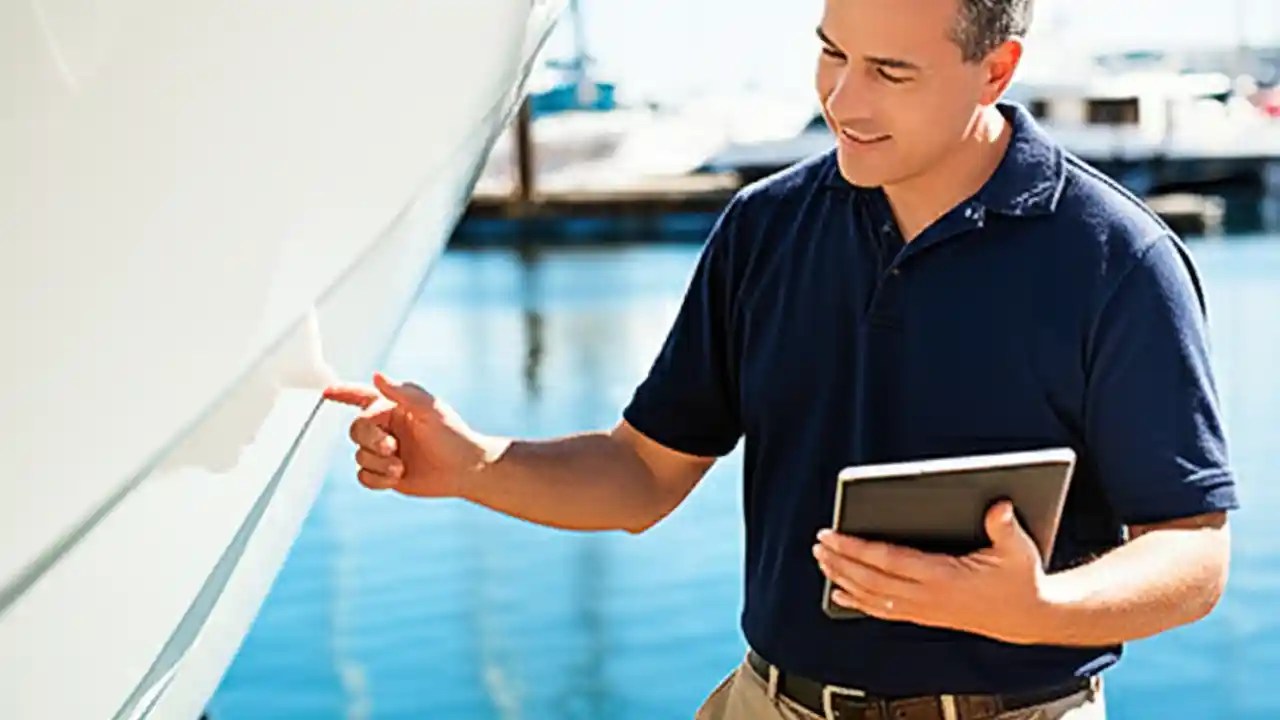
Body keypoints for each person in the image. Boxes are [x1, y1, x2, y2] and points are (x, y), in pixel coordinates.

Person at [323, 0, 1238, 717]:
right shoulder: (763, 229)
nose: (842, 98)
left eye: (889, 70)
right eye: (833, 52)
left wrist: (1035, 609)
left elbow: (1193, 555)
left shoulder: (1118, 261)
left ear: (995, 70)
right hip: (770, 704)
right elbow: (641, 474)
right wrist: (474, 465)